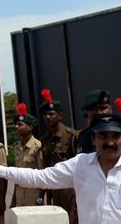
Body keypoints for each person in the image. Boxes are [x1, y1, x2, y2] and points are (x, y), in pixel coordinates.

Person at [37, 89, 78, 222]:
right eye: (45, 115)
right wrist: (42, 194)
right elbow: (45, 166)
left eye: (51, 114)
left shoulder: (72, 136)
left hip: (70, 189)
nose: (47, 117)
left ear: (60, 115)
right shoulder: (45, 140)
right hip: (54, 189)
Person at [76, 91, 121, 157]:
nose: (99, 112)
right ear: (87, 113)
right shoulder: (82, 136)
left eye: (103, 108)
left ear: (110, 109)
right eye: (93, 109)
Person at [9, 106, 42, 208]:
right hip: (19, 193)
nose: (16, 127)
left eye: (20, 124)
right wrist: (13, 198)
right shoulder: (17, 146)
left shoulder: (38, 146)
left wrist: (40, 197)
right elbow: (16, 174)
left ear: (30, 127)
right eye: (16, 124)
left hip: (33, 193)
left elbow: (43, 173)